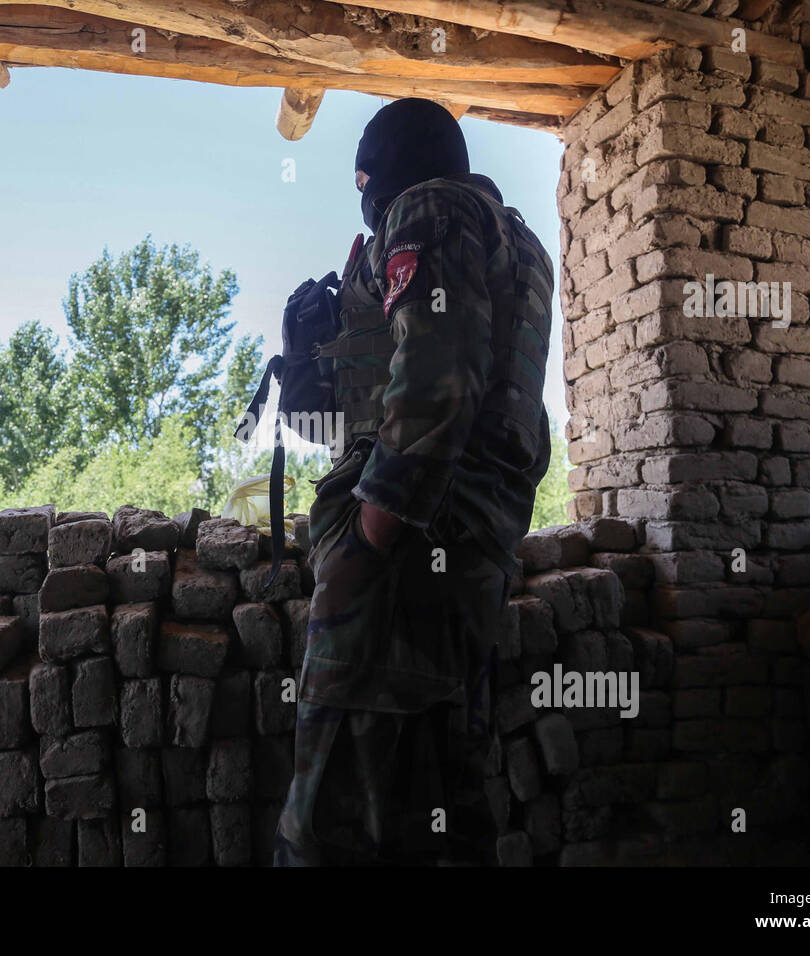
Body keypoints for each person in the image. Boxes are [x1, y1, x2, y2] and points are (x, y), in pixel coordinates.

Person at [274, 98, 555, 866]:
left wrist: (369, 538)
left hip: (407, 552)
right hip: (469, 548)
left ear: (384, 174)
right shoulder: (519, 241)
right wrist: (312, 363)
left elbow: (439, 386)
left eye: (366, 180)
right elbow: (415, 396)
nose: (366, 201)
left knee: (330, 817)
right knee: (435, 791)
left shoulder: (428, 208)